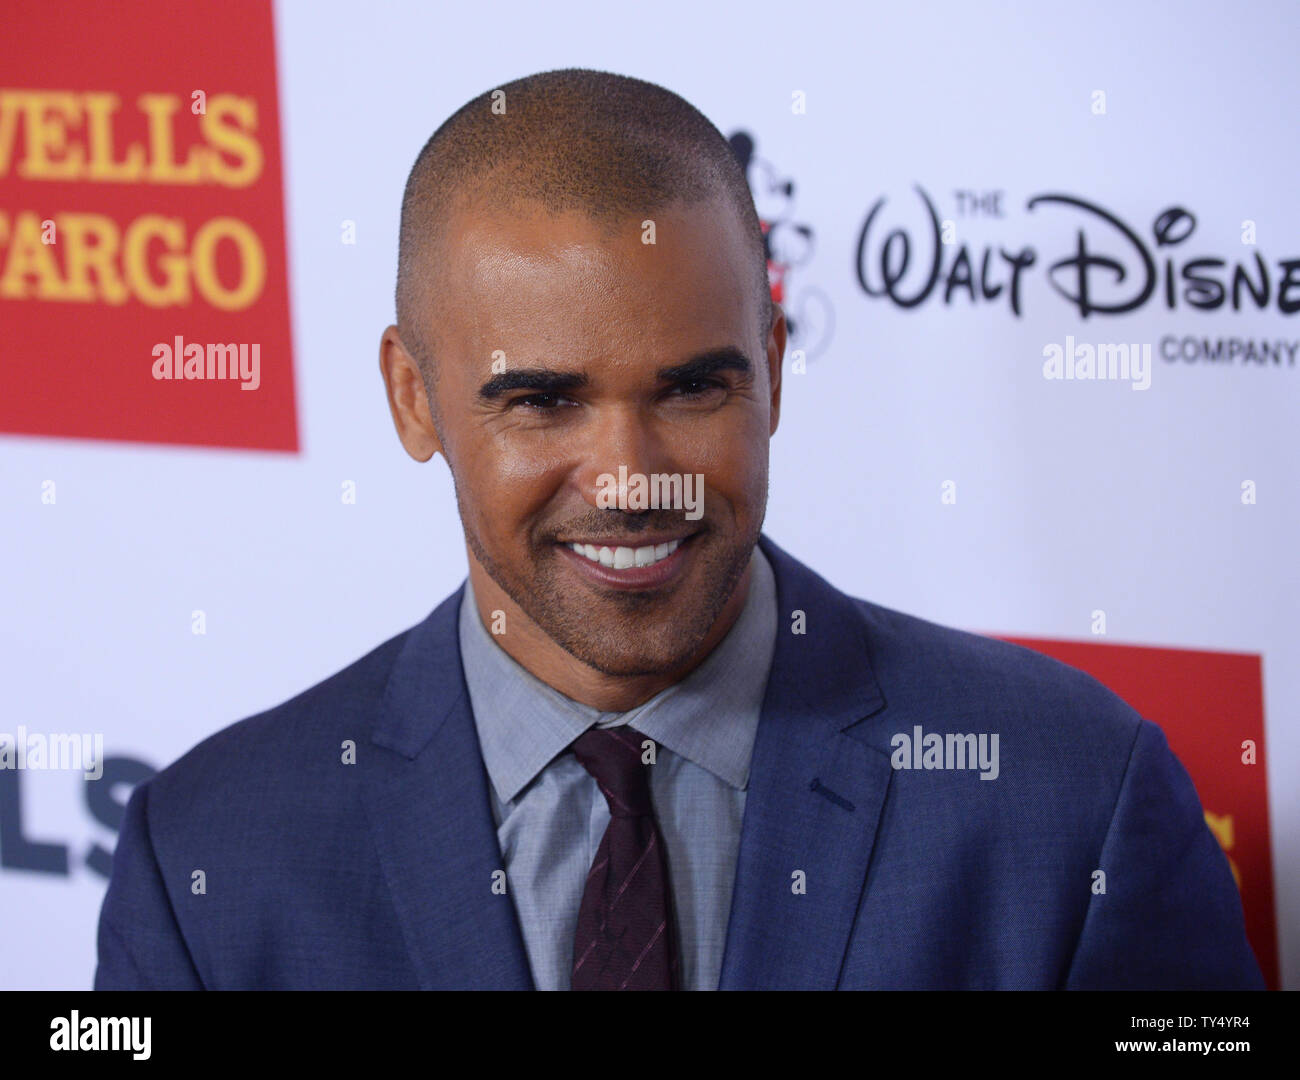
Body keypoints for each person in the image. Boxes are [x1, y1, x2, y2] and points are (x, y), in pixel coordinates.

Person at [94, 68, 1264, 991]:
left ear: (773, 370)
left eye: (694, 389)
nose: (632, 478)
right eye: (544, 399)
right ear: (414, 398)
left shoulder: (1072, 802)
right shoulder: (211, 862)